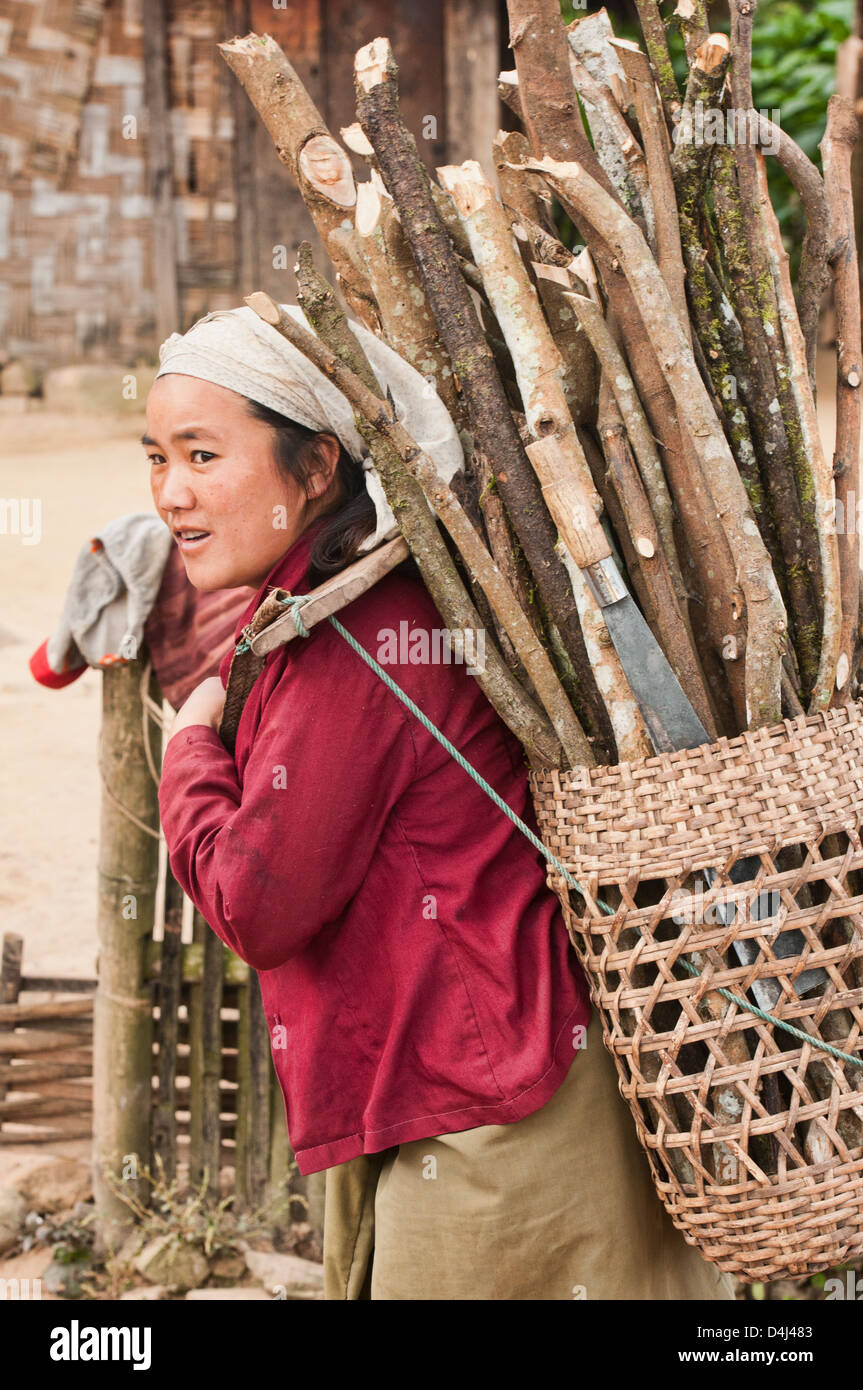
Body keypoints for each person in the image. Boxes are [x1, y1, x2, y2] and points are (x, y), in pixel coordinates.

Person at [150, 302, 737, 1302]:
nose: (170, 494)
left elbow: (261, 903)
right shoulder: (346, 608)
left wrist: (190, 754)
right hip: (483, 1089)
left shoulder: (359, 641)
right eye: (155, 458)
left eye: (202, 455)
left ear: (318, 467)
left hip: (501, 1127)